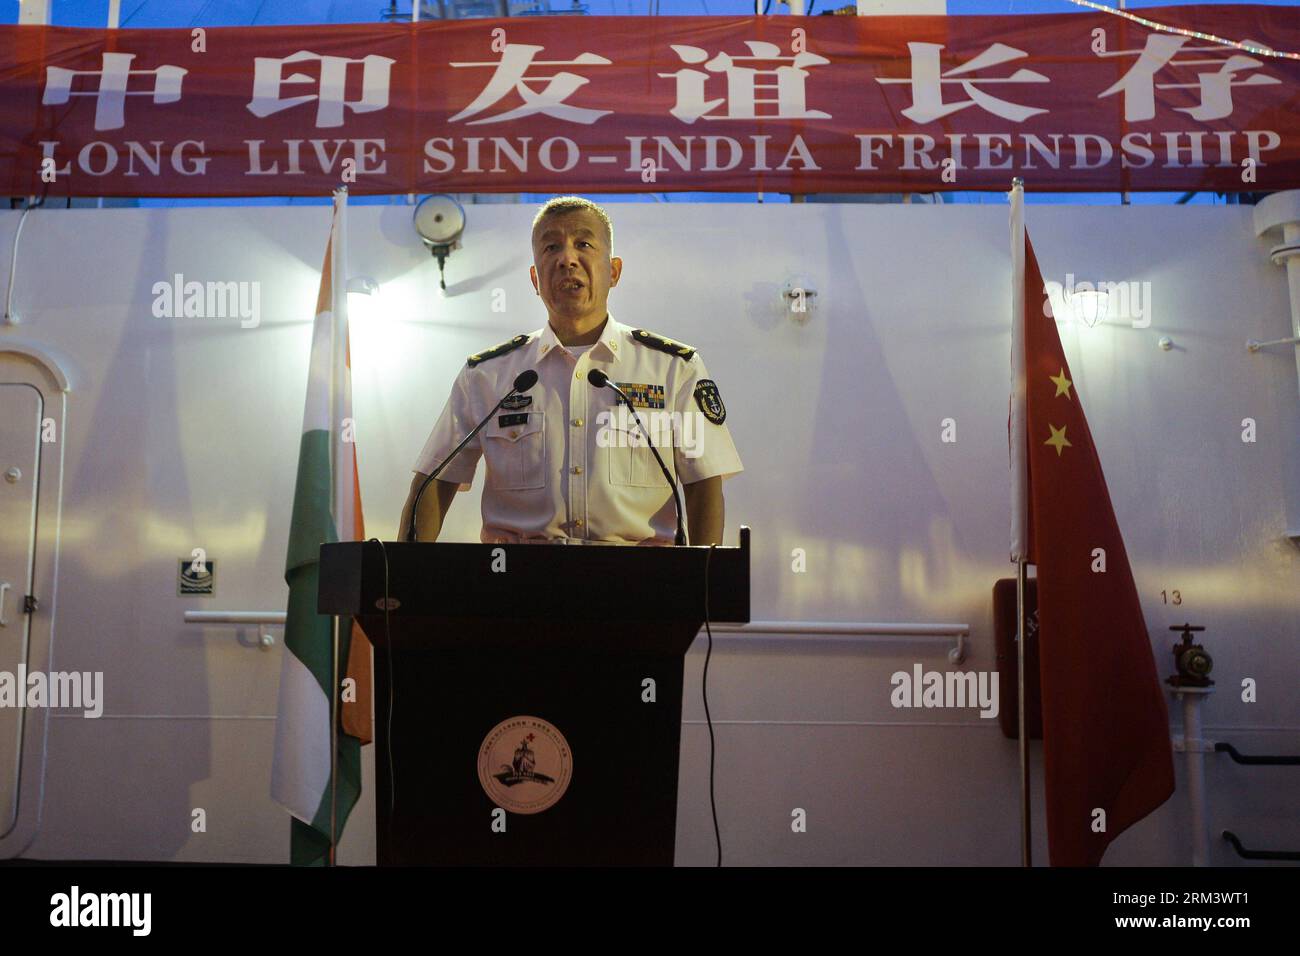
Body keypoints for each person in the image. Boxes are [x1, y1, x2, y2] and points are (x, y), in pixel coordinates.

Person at [399, 195, 742, 546]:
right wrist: (399, 583)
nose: (567, 260)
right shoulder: (488, 375)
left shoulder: (673, 369)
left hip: (642, 585)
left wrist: (704, 586)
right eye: (551, 248)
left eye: (583, 244)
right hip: (514, 584)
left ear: (614, 271)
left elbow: (703, 484)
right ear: (535, 278)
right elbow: (434, 481)